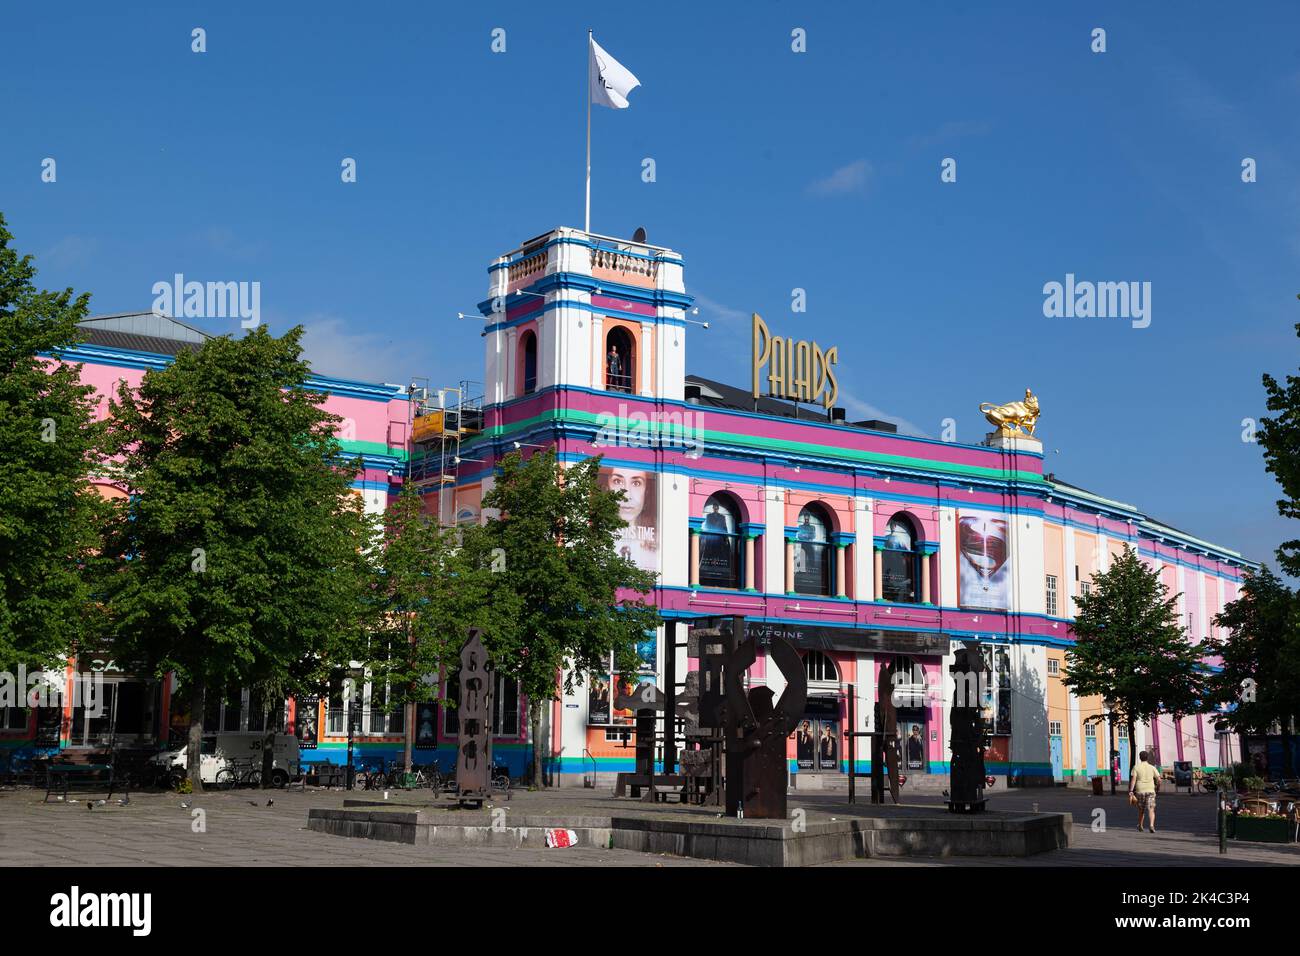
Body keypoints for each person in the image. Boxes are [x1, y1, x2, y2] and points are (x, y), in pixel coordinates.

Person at [1129, 749, 1160, 833]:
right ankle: (1151, 825)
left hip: (1140, 790)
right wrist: (1157, 787)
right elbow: (1158, 779)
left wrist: (1131, 790)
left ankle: (1140, 825)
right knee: (1151, 809)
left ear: (1140, 758)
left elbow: (1133, 779)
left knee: (1141, 810)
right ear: (1147, 758)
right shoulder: (1152, 767)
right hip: (1150, 790)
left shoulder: (1136, 767)